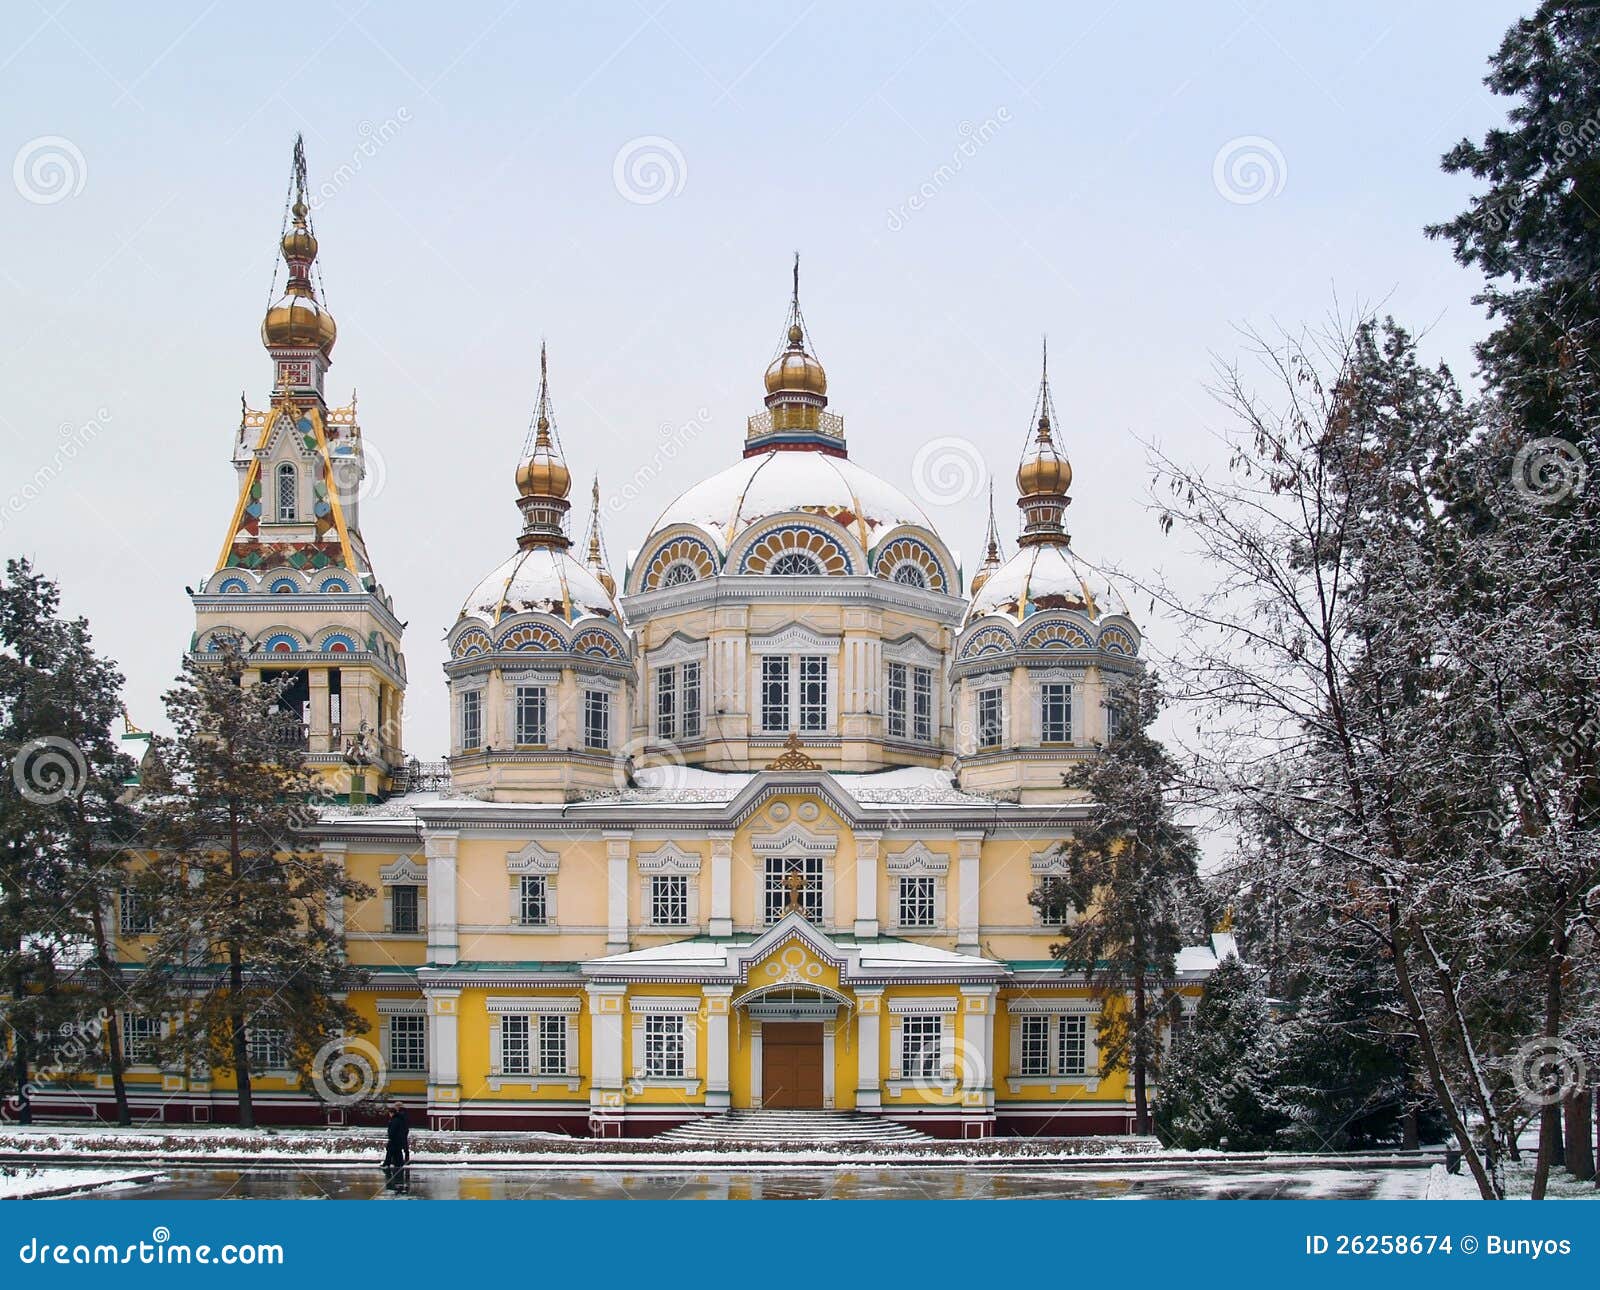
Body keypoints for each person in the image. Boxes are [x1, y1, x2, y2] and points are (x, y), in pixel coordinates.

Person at [382, 1105, 411, 1193]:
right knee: (397, 1151)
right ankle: (398, 1163)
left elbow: (392, 1130)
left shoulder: (395, 1120)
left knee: (390, 1150)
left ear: (392, 1113)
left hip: (395, 1139)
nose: (389, 1115)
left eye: (389, 1113)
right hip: (399, 1139)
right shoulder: (401, 1119)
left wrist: (390, 1135)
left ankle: (387, 1163)